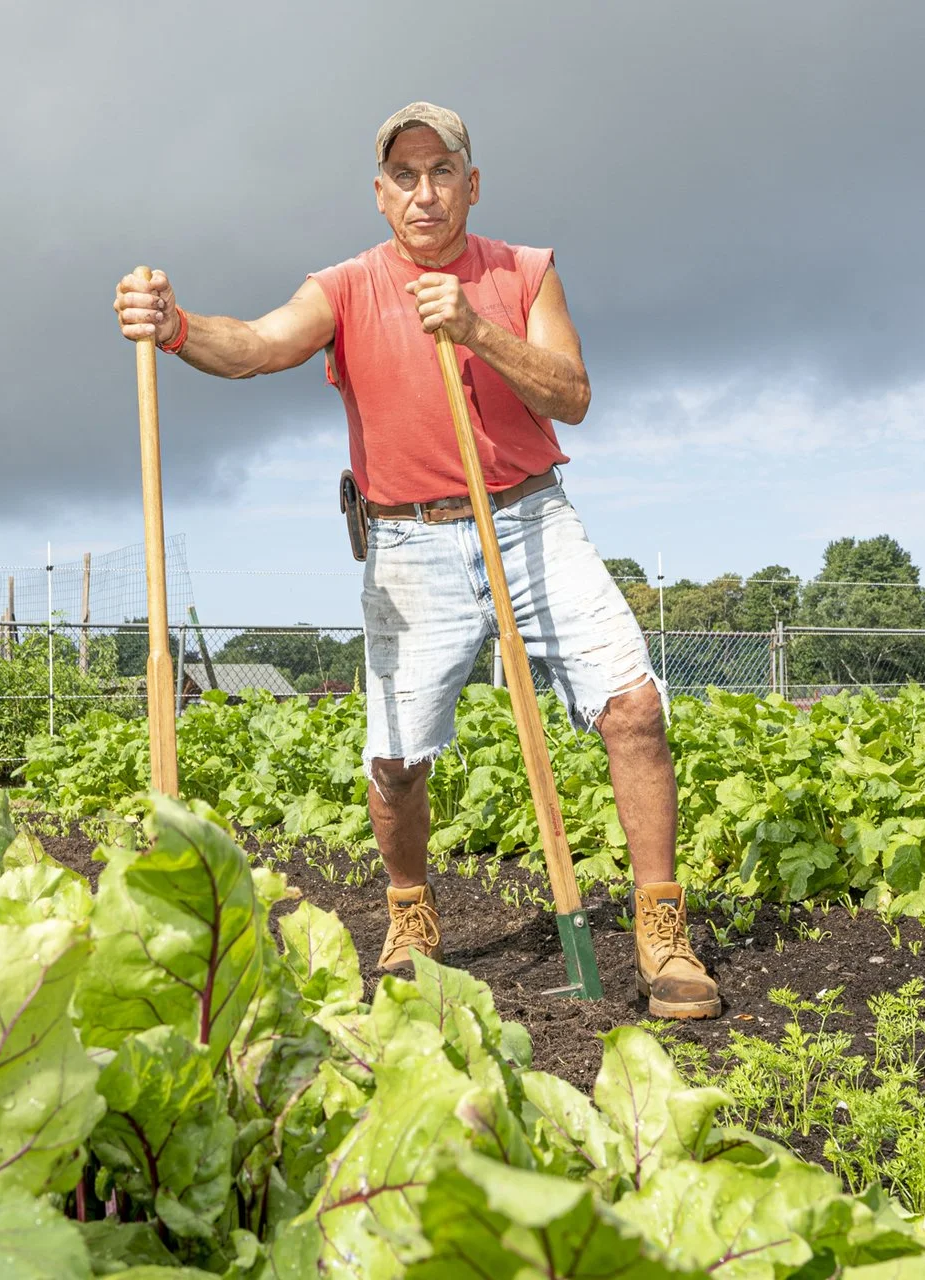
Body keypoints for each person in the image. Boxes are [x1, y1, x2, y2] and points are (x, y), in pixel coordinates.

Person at [112, 102, 719, 1019]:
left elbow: (574, 394)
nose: (424, 191)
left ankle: (661, 928)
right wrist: (179, 326)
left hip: (529, 519)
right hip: (408, 538)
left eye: (443, 172)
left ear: (472, 186)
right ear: (380, 195)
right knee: (396, 760)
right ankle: (410, 914)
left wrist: (477, 329)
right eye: (405, 175)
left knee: (632, 705)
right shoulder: (349, 285)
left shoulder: (523, 271)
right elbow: (261, 347)